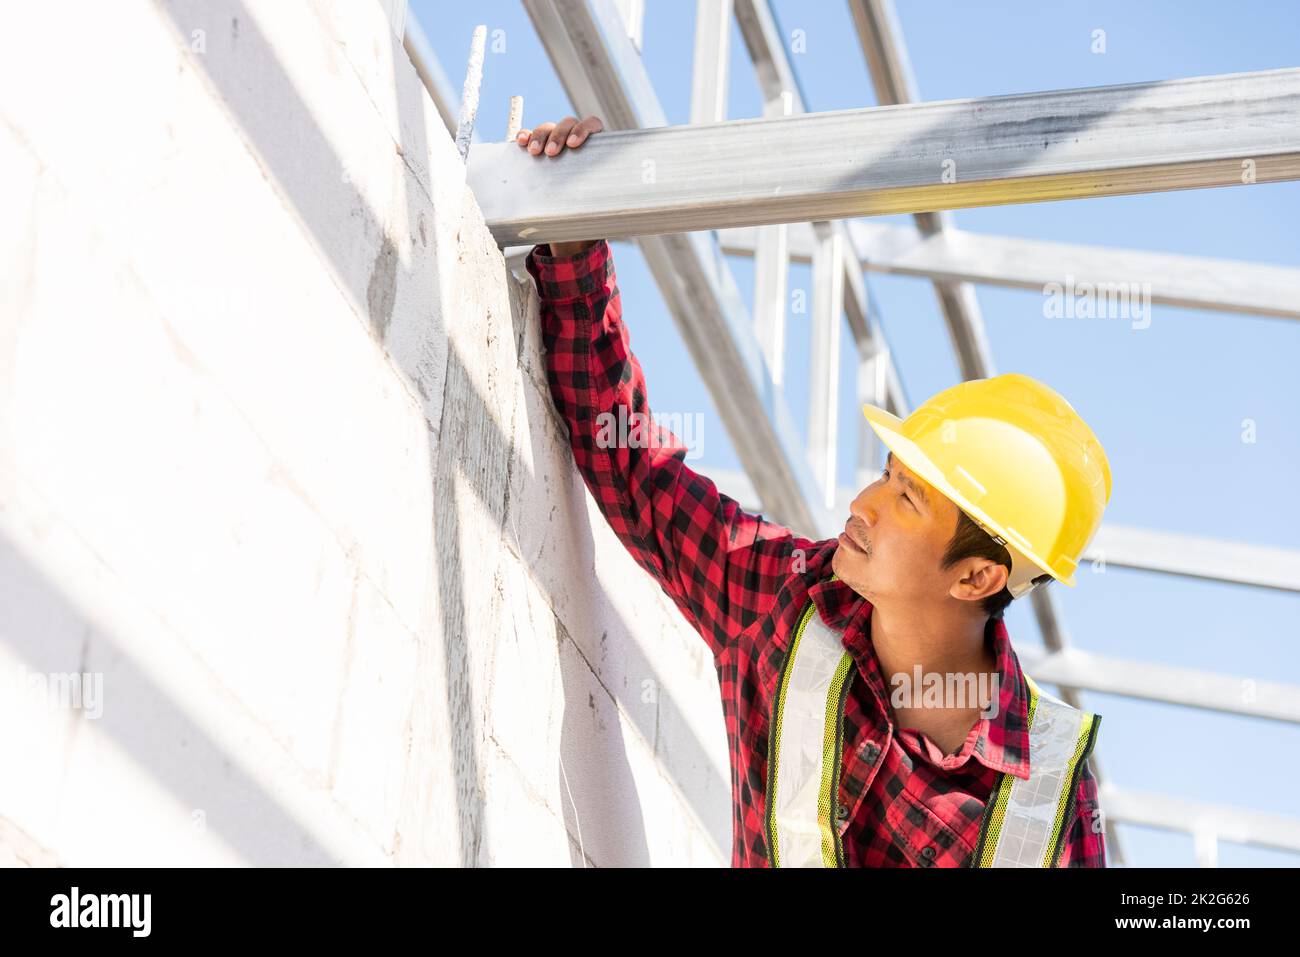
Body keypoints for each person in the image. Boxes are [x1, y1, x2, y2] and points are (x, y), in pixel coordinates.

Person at [518, 115, 1110, 868]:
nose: (864, 503)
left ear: (976, 575)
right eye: (888, 477)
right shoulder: (783, 597)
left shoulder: (1049, 801)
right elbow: (637, 474)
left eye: (908, 500)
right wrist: (575, 246)